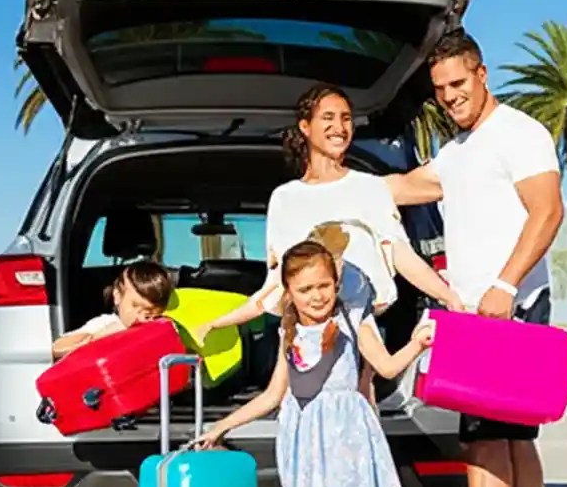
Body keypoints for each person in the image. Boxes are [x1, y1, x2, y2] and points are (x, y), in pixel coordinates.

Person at [384, 29, 565, 487]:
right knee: (513, 435)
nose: (449, 97)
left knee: (485, 437)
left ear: (482, 74)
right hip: (474, 314)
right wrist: (330, 181)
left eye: (458, 84)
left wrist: (506, 285)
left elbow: (549, 210)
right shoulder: (457, 152)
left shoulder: (519, 132)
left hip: (511, 305)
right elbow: (407, 186)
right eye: (439, 89)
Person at [194, 241, 433, 487]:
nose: (317, 296)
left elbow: (388, 365)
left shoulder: (351, 321)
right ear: (288, 291)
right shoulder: (289, 331)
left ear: (337, 284)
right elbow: (273, 396)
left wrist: (416, 343)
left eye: (325, 285)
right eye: (305, 289)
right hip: (302, 440)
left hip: (343, 436)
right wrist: (221, 426)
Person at [192, 83, 463, 348]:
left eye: (346, 118)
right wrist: (218, 322)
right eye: (328, 118)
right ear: (305, 127)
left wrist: (449, 297)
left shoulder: (370, 188)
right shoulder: (286, 199)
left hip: (363, 334)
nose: (340, 127)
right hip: (305, 338)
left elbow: (400, 255)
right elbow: (279, 281)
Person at [50, 261, 174, 360]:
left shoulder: (163, 327)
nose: (144, 317)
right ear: (117, 296)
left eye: (153, 313)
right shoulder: (107, 324)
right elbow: (56, 349)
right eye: (136, 306)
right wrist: (96, 338)